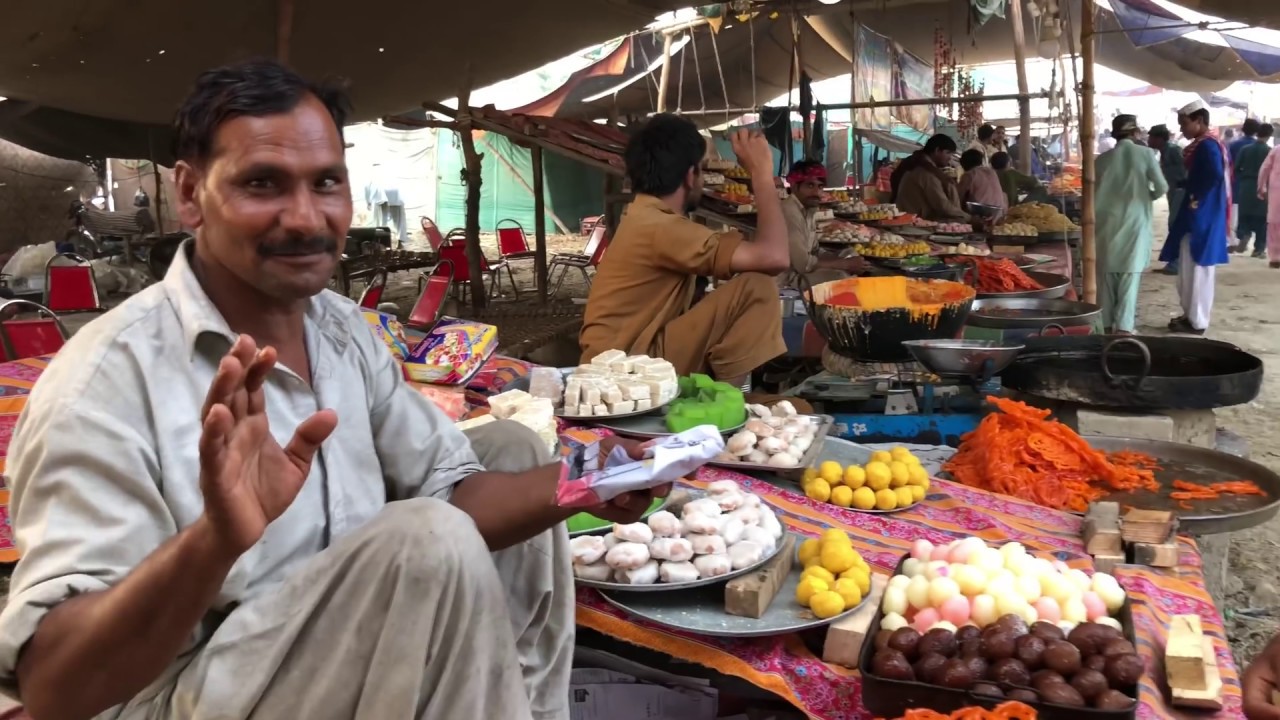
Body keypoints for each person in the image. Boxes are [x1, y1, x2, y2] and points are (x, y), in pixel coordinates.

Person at [0, 60, 666, 720]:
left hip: (338, 657)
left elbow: (451, 484)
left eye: (326, 183)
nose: (304, 217)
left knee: (514, 449)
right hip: (180, 696)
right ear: (190, 192)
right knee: (426, 540)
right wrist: (214, 541)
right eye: (262, 184)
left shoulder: (340, 330)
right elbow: (59, 690)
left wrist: (591, 482)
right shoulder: (103, 385)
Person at [579, 114, 788, 384]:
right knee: (756, 287)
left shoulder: (648, 216)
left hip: (634, 359)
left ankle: (726, 400)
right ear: (691, 175)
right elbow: (775, 257)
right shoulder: (659, 226)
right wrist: (761, 173)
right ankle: (727, 405)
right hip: (625, 371)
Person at [1158, 101, 1231, 336]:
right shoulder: (1203, 145)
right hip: (1199, 213)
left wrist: (1196, 200)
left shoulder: (1208, 146)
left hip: (1202, 215)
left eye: (1185, 124)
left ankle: (1197, 321)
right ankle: (1190, 315)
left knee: (1198, 269)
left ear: (1198, 121)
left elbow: (1214, 177)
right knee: (1189, 269)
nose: (1182, 129)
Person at [1094, 115, 1168, 335]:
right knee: (1129, 276)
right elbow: (1162, 187)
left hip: (1105, 222)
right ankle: (1124, 329)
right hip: (1134, 222)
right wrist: (1147, 195)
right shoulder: (1145, 154)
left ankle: (1105, 327)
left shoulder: (1101, 160)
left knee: (1106, 278)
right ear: (1136, 133)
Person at [778, 160, 866, 288]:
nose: (816, 192)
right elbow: (803, 264)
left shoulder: (808, 210)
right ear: (795, 187)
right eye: (810, 186)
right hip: (788, 279)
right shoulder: (789, 212)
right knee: (841, 278)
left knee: (848, 253)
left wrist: (843, 258)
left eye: (819, 187)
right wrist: (844, 264)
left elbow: (815, 251)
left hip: (802, 272)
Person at [896, 134, 970, 222]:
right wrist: (970, 218)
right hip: (912, 221)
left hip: (911, 217)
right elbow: (943, 206)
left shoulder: (919, 164)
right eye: (948, 153)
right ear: (937, 150)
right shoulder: (924, 172)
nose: (950, 158)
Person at [1148, 124, 1187, 275]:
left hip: (1180, 190)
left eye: (1151, 137)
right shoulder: (1164, 152)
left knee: (1175, 223)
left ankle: (1176, 263)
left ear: (1159, 139)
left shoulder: (1173, 150)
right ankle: (1175, 262)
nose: (1149, 140)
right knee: (1173, 224)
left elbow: (1184, 170)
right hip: (1173, 191)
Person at [1234, 122, 1273, 258]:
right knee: (1262, 219)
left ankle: (1244, 234)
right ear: (1269, 136)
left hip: (1246, 185)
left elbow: (1236, 168)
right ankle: (1258, 249)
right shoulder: (1270, 151)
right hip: (1263, 187)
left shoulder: (1245, 149)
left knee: (1244, 214)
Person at [1257, 125, 1280, 269]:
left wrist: (1261, 187)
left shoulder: (1277, 150)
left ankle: (1275, 257)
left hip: (1276, 191)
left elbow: (1264, 169)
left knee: (1274, 223)